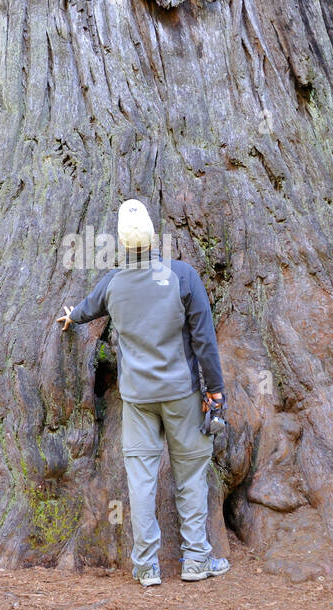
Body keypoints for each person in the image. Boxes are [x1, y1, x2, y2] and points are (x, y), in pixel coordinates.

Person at [56, 199, 229, 586]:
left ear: (121, 243)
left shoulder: (113, 283)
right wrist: (215, 391)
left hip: (137, 398)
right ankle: (197, 559)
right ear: (153, 237)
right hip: (182, 393)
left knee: (142, 478)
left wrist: (72, 316)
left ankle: (147, 565)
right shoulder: (182, 276)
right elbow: (204, 341)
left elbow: (89, 307)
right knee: (190, 475)